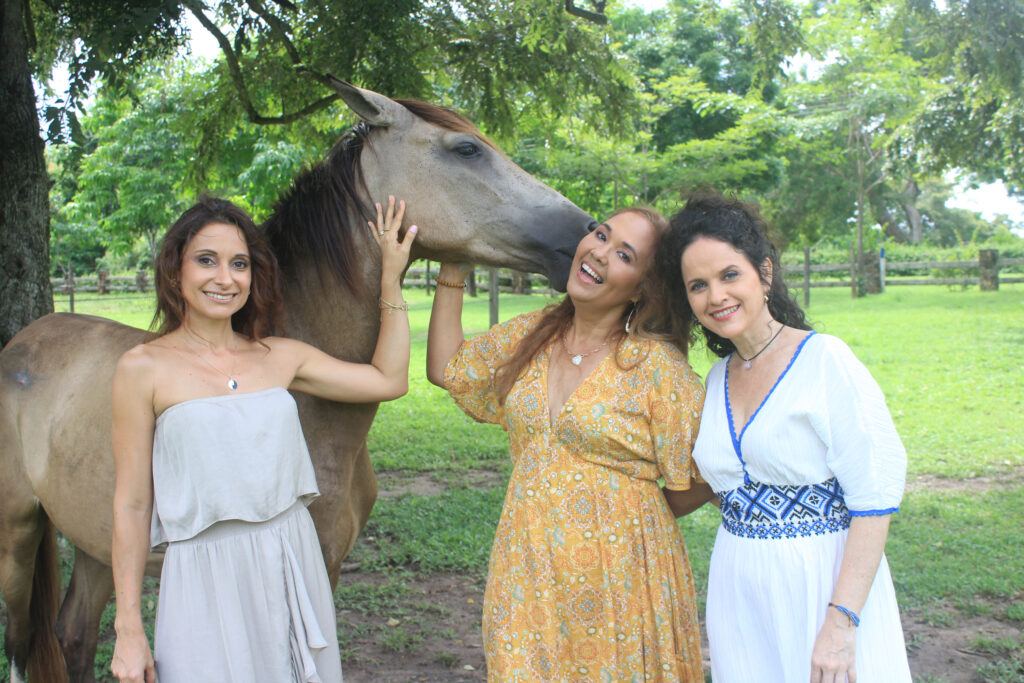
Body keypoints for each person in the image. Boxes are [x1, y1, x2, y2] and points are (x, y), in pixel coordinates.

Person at [110, 196, 417, 683]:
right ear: (175, 272)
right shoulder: (141, 369)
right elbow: (131, 504)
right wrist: (128, 628)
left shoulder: (280, 357)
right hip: (203, 575)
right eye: (206, 261)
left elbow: (389, 380)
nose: (225, 278)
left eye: (240, 264)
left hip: (291, 559)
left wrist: (390, 277)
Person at [426, 207, 709, 682]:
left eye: (623, 254)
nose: (598, 252)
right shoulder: (534, 334)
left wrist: (627, 513)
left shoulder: (656, 368)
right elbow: (448, 369)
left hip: (622, 577)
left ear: (643, 287)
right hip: (528, 565)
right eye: (600, 234)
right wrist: (453, 272)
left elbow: (706, 476)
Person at [656, 190, 911, 683]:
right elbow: (734, 484)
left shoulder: (824, 360)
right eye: (698, 285)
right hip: (740, 589)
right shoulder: (715, 381)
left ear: (765, 274)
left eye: (730, 275)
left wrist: (840, 623)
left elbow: (874, 497)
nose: (716, 296)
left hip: (820, 584)